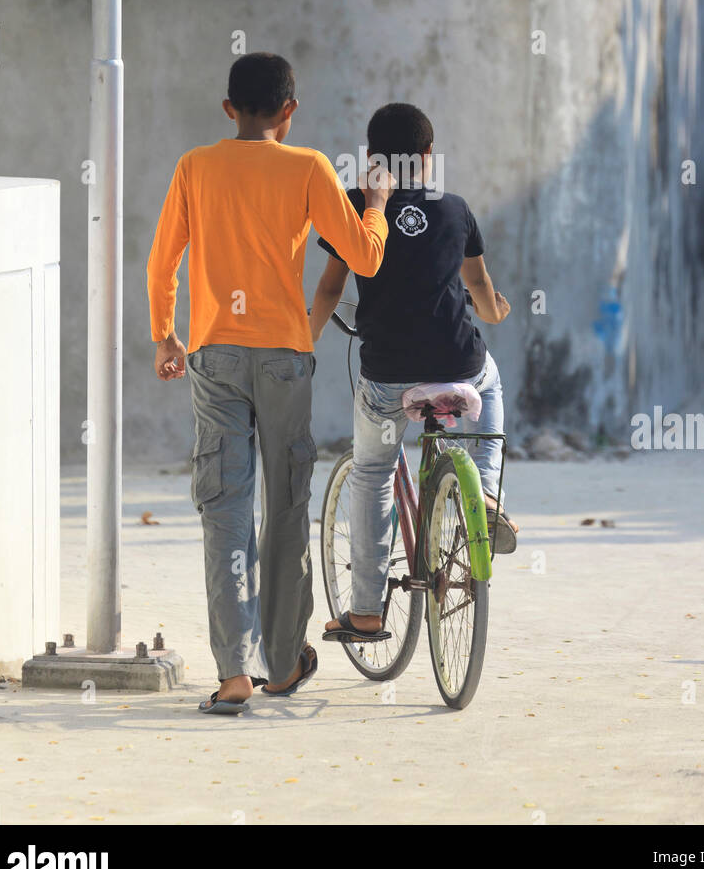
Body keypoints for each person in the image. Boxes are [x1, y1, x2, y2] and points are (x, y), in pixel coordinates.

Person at [146, 53, 391, 710]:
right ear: (290, 110)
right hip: (285, 356)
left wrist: (165, 335)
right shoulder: (309, 167)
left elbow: (163, 257)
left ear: (229, 108)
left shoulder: (195, 166)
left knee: (224, 509)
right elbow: (364, 256)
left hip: (215, 356)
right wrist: (375, 207)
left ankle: (232, 673)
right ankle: (282, 662)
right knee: (284, 507)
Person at [309, 102, 516, 645]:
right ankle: (488, 497)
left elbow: (331, 288)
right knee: (490, 379)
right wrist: (497, 311)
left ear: (372, 156)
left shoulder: (358, 205)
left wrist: (301, 343)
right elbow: (482, 293)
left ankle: (367, 612)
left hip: (387, 375)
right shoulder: (455, 208)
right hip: (459, 364)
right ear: (428, 156)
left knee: (373, 474)